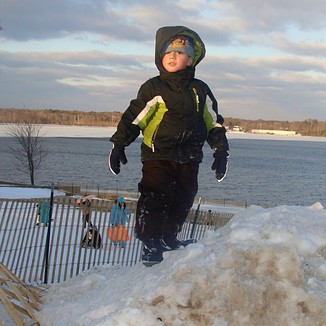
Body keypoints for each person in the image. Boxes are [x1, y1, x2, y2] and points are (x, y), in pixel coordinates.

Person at [108, 26, 229, 266]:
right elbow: (135, 116)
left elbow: (213, 121)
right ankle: (151, 244)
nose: (173, 56)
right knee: (155, 197)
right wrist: (119, 143)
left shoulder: (200, 90)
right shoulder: (154, 87)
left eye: (180, 52)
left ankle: (169, 238)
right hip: (158, 155)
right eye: (168, 52)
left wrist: (221, 149)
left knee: (183, 197)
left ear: (191, 59)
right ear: (160, 57)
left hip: (190, 157)